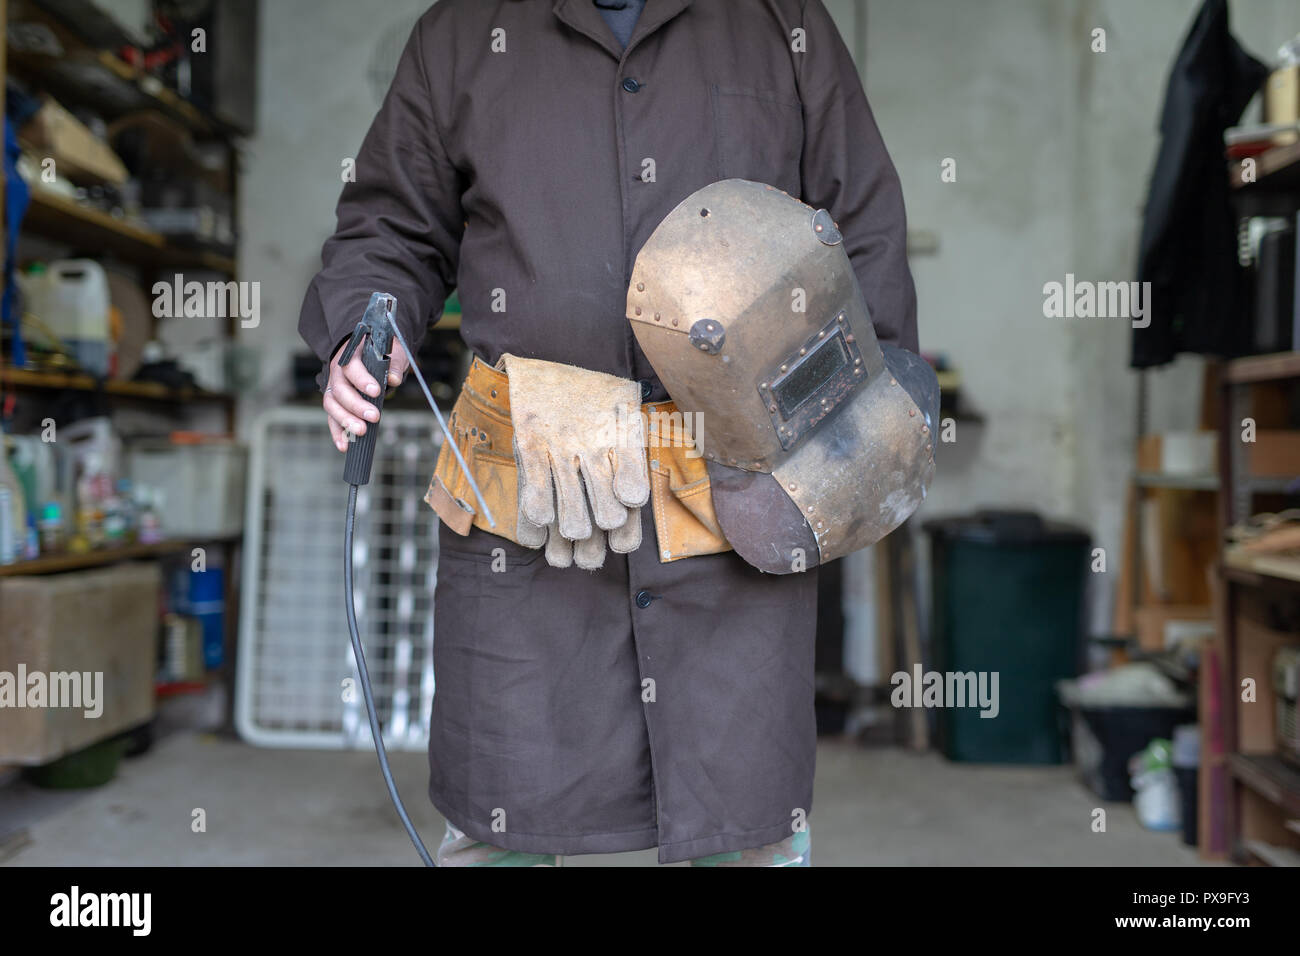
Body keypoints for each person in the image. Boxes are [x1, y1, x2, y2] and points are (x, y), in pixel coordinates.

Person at [299, 0, 916, 867]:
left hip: (729, 506)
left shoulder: (780, 21)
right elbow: (391, 224)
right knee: (503, 819)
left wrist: (857, 429)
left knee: (742, 828)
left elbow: (863, 227)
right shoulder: (462, 31)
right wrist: (362, 329)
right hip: (528, 511)